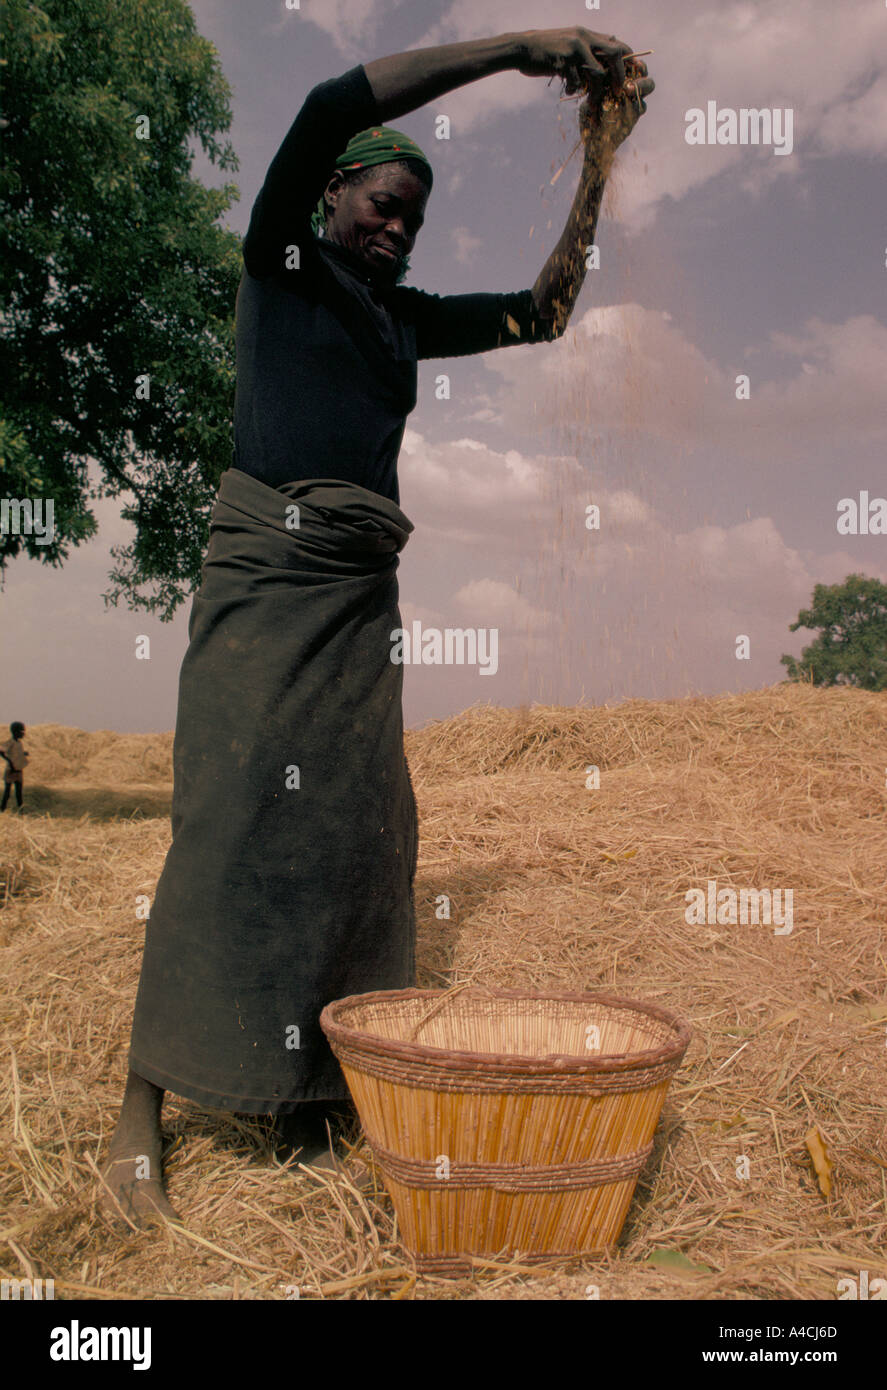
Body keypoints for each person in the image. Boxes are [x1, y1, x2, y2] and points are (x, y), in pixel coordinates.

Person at [99, 27, 653, 1227]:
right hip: (266, 573)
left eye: (412, 218)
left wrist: (598, 161)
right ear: (336, 190)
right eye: (382, 204)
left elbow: (541, 314)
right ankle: (141, 1106)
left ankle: (309, 1083)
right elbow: (324, 97)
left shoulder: (397, 321)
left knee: (362, 826)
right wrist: (523, 51)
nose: (396, 229)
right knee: (231, 810)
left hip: (355, 596)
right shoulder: (282, 260)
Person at [1, 721, 29, 813]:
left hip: (18, 770)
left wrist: (23, 754)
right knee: (7, 792)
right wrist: (9, 761)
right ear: (15, 732)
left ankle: (21, 809)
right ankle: (2, 809)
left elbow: (16, 753)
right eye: (22, 732)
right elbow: (1, 751)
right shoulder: (10, 742)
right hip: (11, 770)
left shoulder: (19, 743)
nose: (23, 734)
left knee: (19, 792)